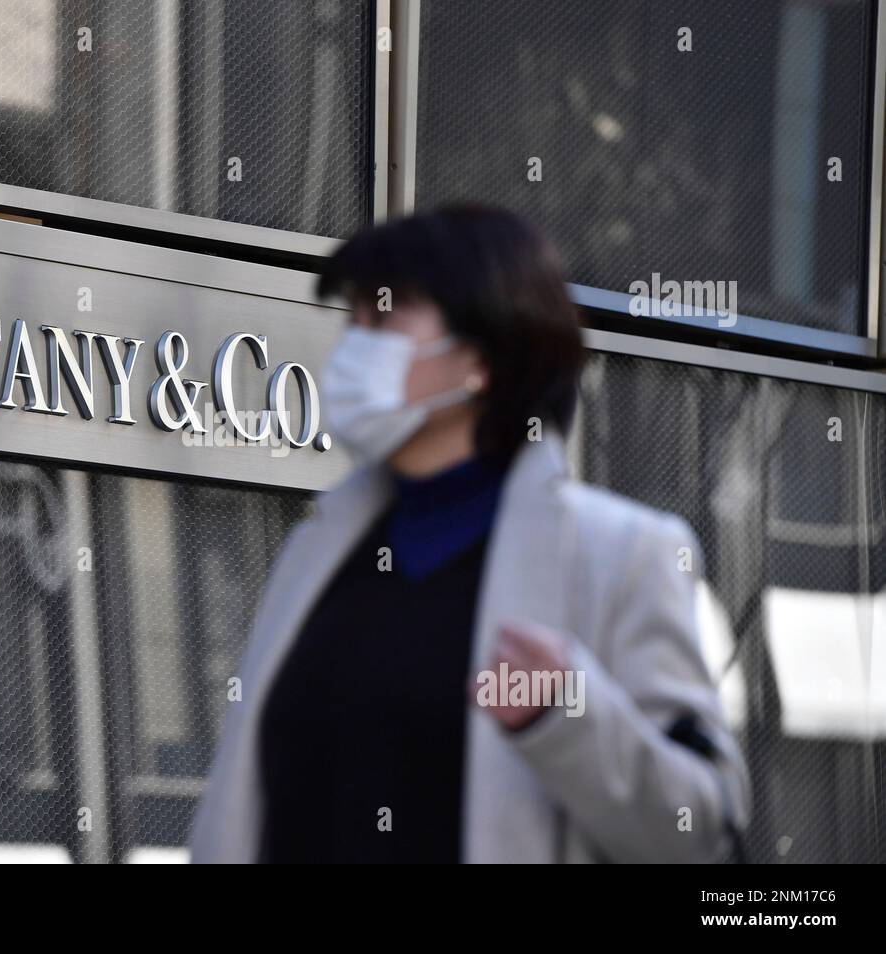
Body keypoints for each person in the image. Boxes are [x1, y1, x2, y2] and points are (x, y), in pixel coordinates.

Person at [189, 205, 750, 863]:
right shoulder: (316, 548)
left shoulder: (622, 554)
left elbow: (701, 831)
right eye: (354, 320)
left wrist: (566, 715)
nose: (354, 346)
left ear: (479, 358)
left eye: (384, 317)